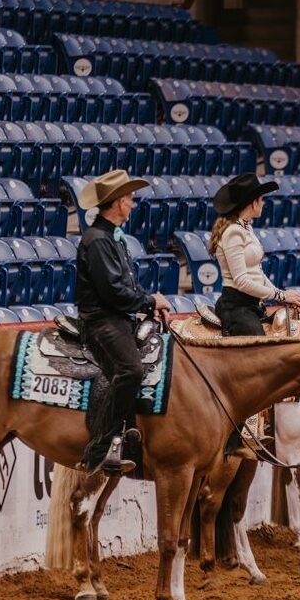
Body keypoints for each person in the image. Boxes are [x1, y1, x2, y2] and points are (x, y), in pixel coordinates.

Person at [74, 170, 171, 475]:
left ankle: (130, 434)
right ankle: (99, 449)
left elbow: (128, 286)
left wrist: (149, 301)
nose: (132, 204)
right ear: (116, 202)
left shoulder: (113, 239)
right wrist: (149, 302)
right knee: (131, 370)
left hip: (118, 316)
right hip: (101, 320)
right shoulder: (97, 241)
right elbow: (113, 292)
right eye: (129, 198)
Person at [210, 172, 300, 336]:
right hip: (235, 306)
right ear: (253, 203)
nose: (263, 203)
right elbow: (241, 281)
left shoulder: (246, 228)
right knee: (261, 348)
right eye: (261, 199)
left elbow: (257, 272)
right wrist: (281, 295)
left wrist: (280, 294)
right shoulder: (233, 232)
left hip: (252, 304)